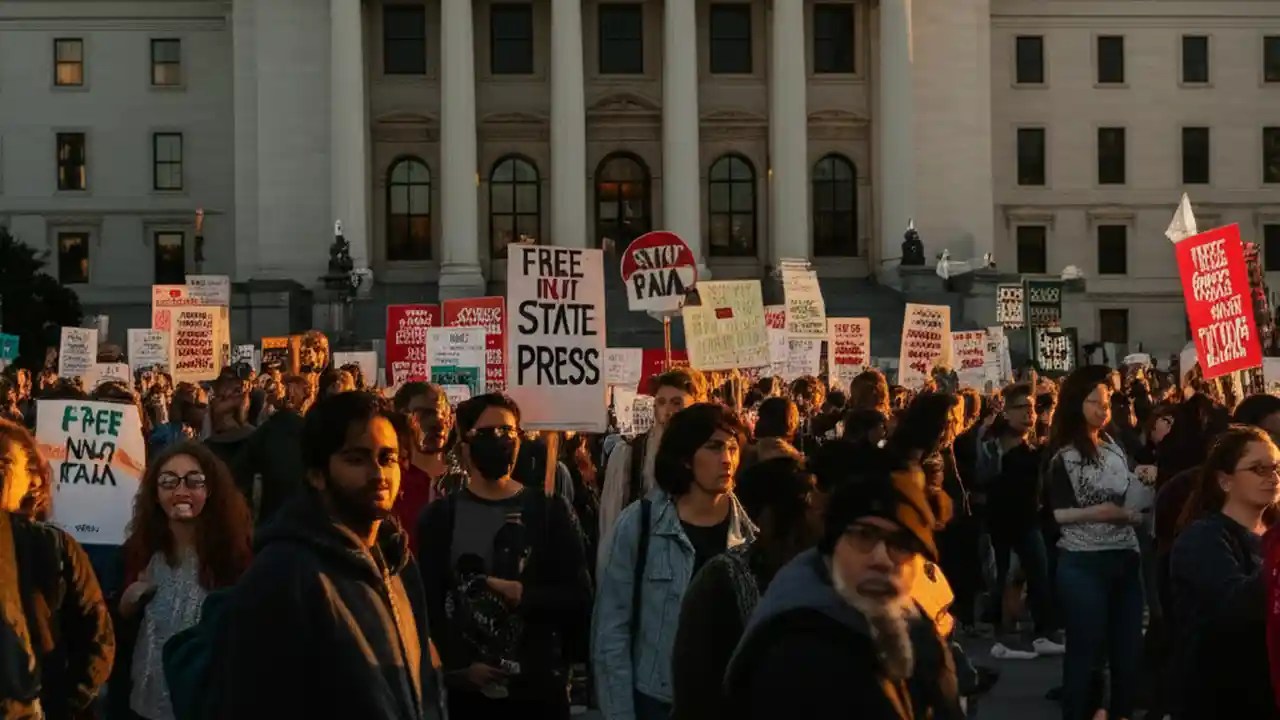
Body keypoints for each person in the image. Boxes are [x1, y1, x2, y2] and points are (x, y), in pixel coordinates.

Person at [215, 391, 445, 719]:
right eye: (356, 458)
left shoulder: (398, 562)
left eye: (387, 458)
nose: (378, 474)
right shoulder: (283, 574)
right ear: (316, 473)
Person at [723, 466, 962, 720]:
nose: (881, 558)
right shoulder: (799, 652)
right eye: (864, 536)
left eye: (901, 544)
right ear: (832, 549)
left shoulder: (919, 634)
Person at [417, 393, 591, 719]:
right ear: (465, 442)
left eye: (509, 433)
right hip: (465, 698)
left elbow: (579, 598)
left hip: (537, 692)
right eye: (488, 434)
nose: (501, 442)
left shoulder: (549, 511)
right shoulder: (440, 518)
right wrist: (459, 669)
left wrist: (522, 595)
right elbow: (428, 606)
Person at [593, 403, 757, 720]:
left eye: (733, 447)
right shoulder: (639, 525)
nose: (727, 459)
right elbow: (611, 631)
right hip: (657, 700)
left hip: (730, 701)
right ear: (685, 457)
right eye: (713, 447)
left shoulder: (751, 535)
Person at [109, 442, 253, 720]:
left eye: (193, 481)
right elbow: (116, 635)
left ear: (210, 490)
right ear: (155, 493)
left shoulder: (236, 558)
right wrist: (127, 605)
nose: (181, 491)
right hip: (143, 703)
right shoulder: (138, 553)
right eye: (168, 481)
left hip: (206, 703)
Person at [671, 456, 822, 719]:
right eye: (808, 507)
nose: (820, 520)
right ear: (768, 518)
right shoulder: (723, 580)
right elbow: (696, 694)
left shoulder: (834, 576)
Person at [1045, 366, 1144, 720]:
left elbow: (1128, 491)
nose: (1104, 410)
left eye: (1107, 403)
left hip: (1126, 557)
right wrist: (1100, 513)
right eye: (1096, 403)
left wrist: (1142, 485)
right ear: (1076, 404)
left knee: (1128, 652)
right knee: (1087, 652)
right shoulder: (1064, 453)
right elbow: (1057, 514)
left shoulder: (1114, 445)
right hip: (1083, 560)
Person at [0, 418, 115, 719]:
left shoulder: (55, 547)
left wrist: (62, 706)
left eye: (4, 462)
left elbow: (97, 638)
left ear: (32, 478)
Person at [1168, 425, 1280, 718]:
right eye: (1258, 469)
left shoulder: (1272, 532)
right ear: (1225, 481)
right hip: (1222, 696)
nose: (1273, 477)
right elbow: (1234, 606)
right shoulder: (1203, 538)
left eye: (1276, 467)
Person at [976, 382, 1061, 656]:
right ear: (1007, 412)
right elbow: (983, 480)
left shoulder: (1035, 448)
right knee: (1002, 577)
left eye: (1032, 408)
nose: (1029, 414)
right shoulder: (991, 447)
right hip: (999, 522)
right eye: (1022, 408)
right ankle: (1004, 635)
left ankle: (1044, 630)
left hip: (1028, 521)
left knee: (1039, 573)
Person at [597, 367, 707, 574]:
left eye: (677, 402)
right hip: (645, 568)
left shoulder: (709, 455)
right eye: (661, 402)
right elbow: (612, 526)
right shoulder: (631, 454)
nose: (668, 410)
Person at [391, 382, 465, 555]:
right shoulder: (391, 484)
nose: (437, 422)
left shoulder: (464, 482)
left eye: (443, 414)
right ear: (403, 419)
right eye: (424, 414)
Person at [233, 373, 312, 526]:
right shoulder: (312, 432)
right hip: (307, 520)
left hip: (271, 520)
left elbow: (239, 474)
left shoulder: (264, 433)